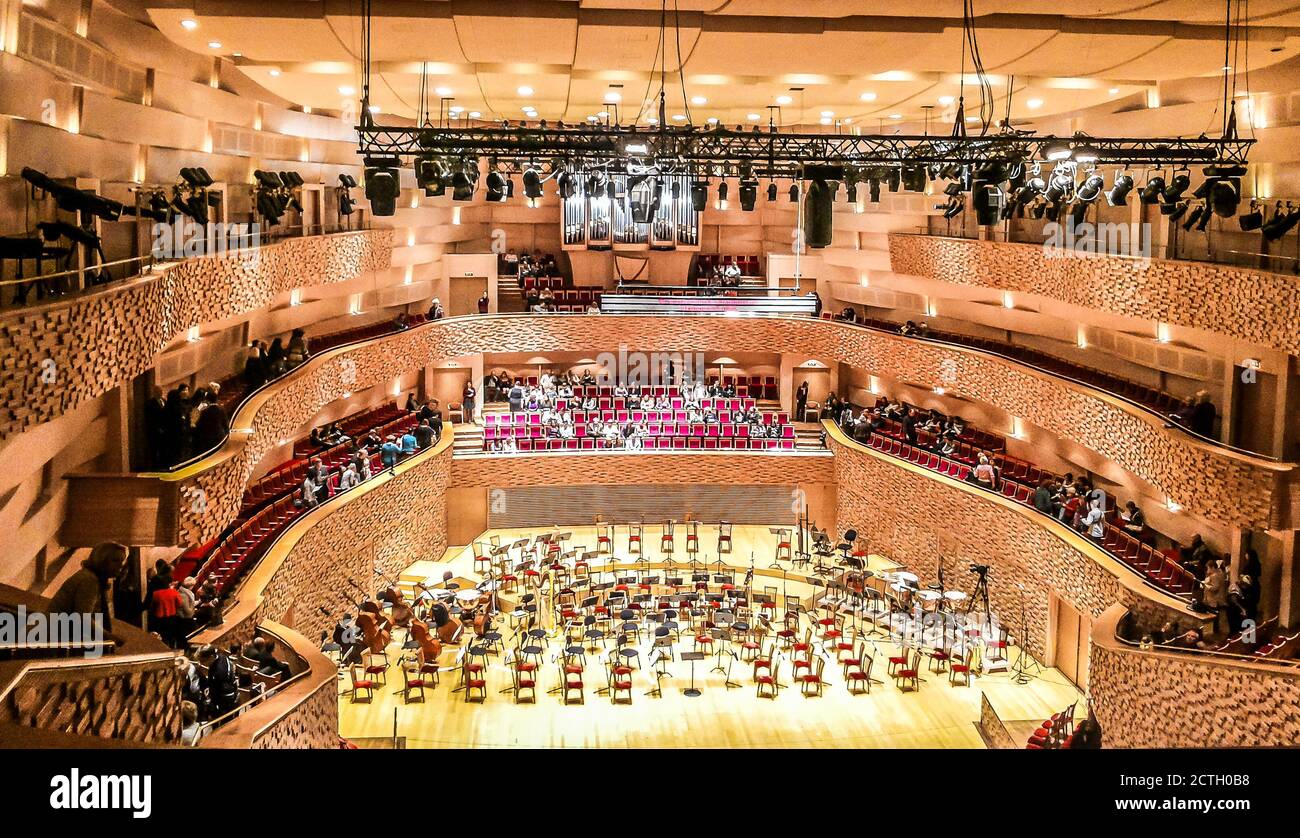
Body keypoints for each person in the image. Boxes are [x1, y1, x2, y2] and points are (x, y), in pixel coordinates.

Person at [48, 542, 128, 635]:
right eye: (115, 560)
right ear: (101, 560)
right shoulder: (89, 580)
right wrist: (110, 637)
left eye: (122, 561)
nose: (121, 565)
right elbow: (83, 618)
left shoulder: (93, 578)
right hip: (57, 636)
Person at [197, 644, 239, 718]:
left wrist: (211, 695)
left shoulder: (220, 671)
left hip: (225, 702)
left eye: (203, 661)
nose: (201, 663)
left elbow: (227, 693)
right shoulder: (220, 656)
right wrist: (209, 687)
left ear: (211, 657)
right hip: (218, 692)